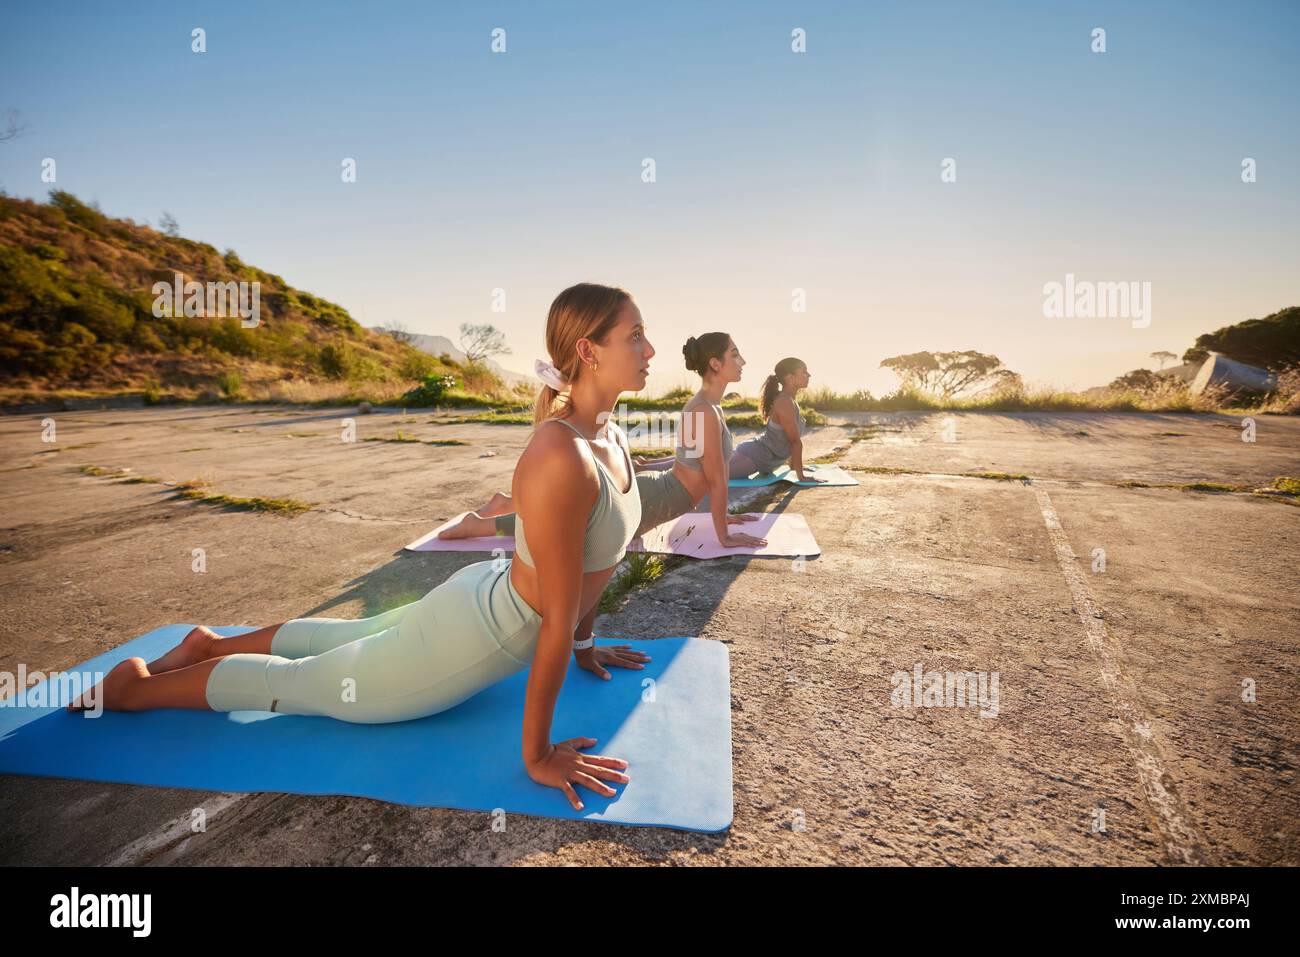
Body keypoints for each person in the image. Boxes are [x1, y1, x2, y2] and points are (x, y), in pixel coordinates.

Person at [67, 282, 660, 811]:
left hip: (485, 600)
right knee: (300, 685)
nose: (650, 351)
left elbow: (588, 562)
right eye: (635, 336)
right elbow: (555, 615)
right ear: (588, 350)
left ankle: (209, 643)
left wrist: (587, 645)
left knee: (342, 640)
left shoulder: (607, 433)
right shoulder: (562, 453)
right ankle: (132, 690)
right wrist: (538, 755)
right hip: (482, 633)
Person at [440, 332, 767, 550]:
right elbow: (716, 479)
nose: (742, 362)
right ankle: (484, 523)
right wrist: (723, 534)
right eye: (735, 355)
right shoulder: (704, 411)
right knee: (569, 526)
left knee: (580, 509)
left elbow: (692, 461)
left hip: (661, 490)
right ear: (715, 363)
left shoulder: (706, 407)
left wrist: (722, 517)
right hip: (658, 497)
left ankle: (506, 502)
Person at [728, 357, 825, 483]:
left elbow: (791, 441)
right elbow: (795, 442)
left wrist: (794, 466)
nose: (809, 375)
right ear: (790, 378)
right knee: (709, 475)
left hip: (762, 459)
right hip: (753, 456)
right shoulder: (785, 402)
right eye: (804, 371)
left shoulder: (790, 401)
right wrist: (801, 477)